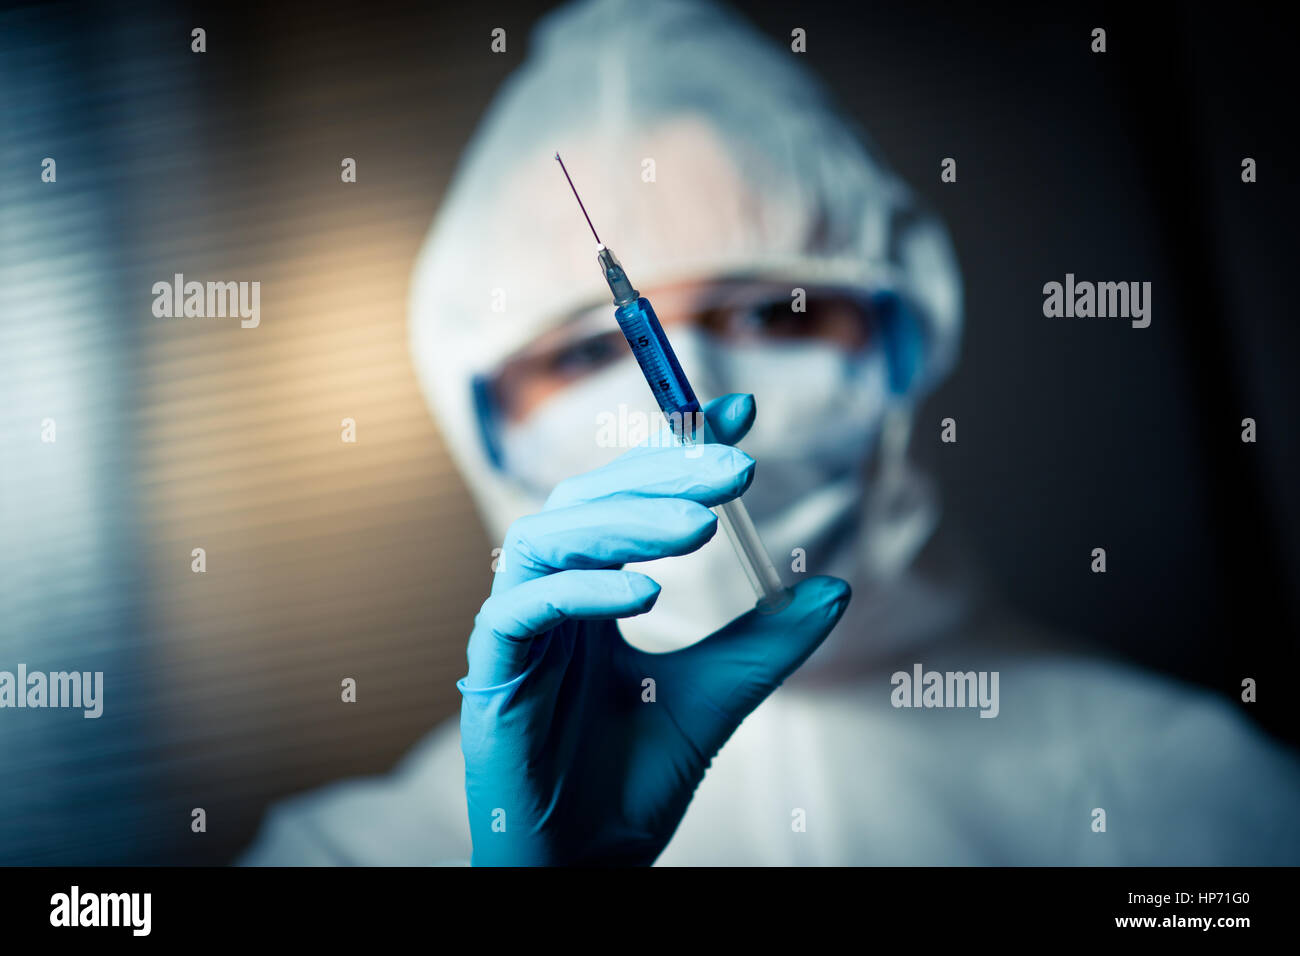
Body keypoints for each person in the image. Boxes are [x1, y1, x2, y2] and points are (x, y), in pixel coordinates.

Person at [239, 0, 1300, 865]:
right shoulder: (351, 854)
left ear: (901, 327)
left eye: (771, 311)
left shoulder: (1198, 799)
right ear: (477, 416)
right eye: (576, 350)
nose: (688, 380)